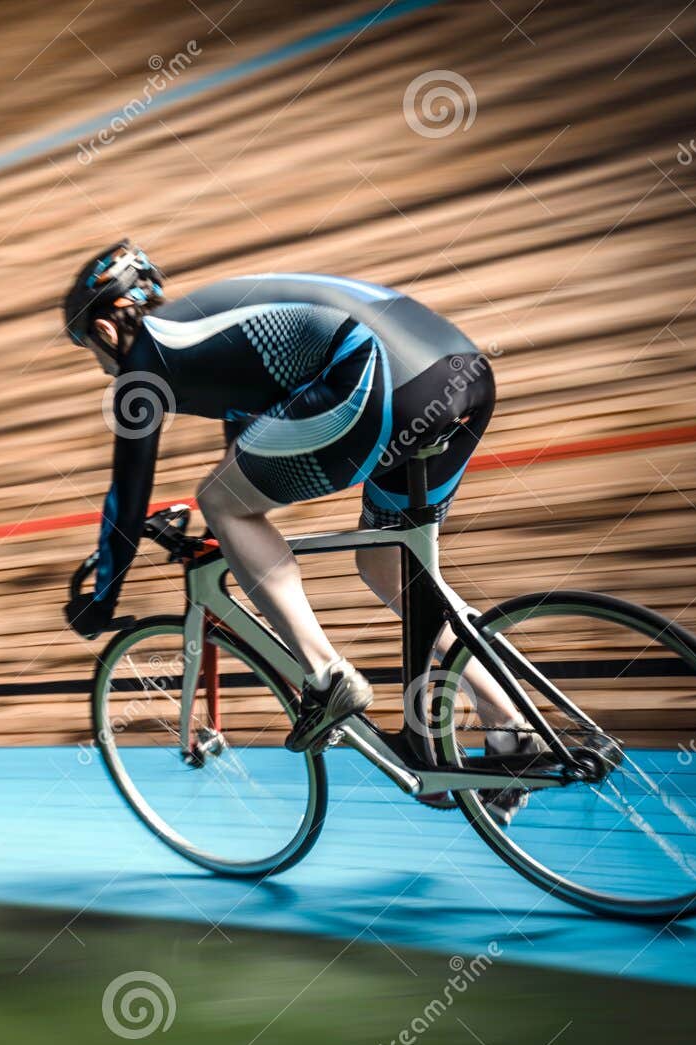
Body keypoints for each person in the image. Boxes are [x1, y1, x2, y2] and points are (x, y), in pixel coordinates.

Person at [59, 240, 537, 822]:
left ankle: (327, 676)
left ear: (106, 330)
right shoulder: (206, 326)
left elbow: (127, 497)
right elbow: (249, 437)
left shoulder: (144, 362)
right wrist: (225, 537)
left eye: (90, 349)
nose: (101, 365)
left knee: (221, 501)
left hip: (375, 375)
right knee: (390, 568)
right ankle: (511, 728)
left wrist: (102, 599)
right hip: (458, 371)